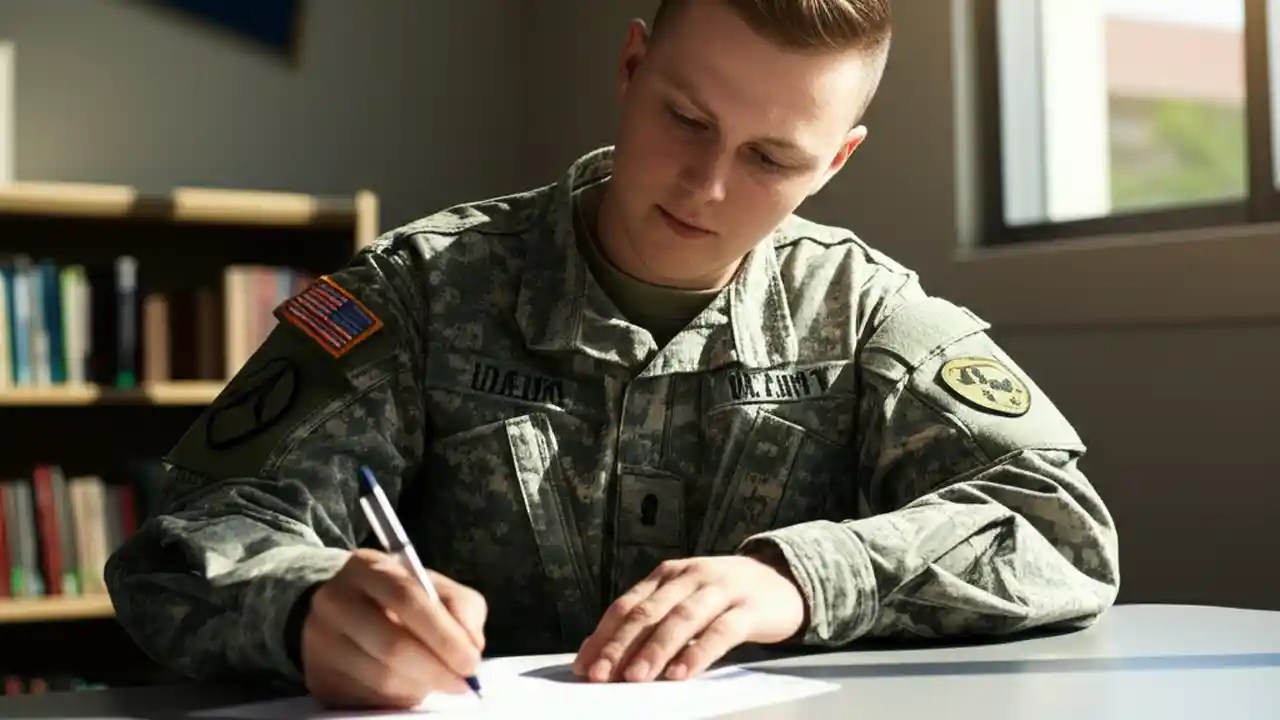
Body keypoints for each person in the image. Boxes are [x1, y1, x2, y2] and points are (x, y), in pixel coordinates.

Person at [105, 0, 1120, 711]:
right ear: (631, 69)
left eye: (770, 158)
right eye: (685, 118)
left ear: (835, 162)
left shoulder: (861, 313)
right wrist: (303, 609)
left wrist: (802, 578)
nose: (707, 185)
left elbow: (1061, 530)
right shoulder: (416, 289)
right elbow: (189, 540)